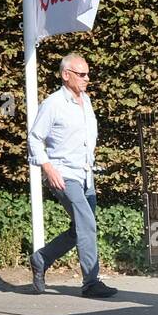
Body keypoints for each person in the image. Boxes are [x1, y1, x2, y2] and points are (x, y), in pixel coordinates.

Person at [27, 53, 116, 298]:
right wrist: (48, 168)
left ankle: (41, 258)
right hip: (64, 175)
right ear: (66, 75)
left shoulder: (85, 101)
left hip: (86, 174)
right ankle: (91, 283)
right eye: (81, 74)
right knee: (87, 224)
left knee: (80, 229)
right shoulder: (53, 104)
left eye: (88, 73)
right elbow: (35, 138)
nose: (87, 78)